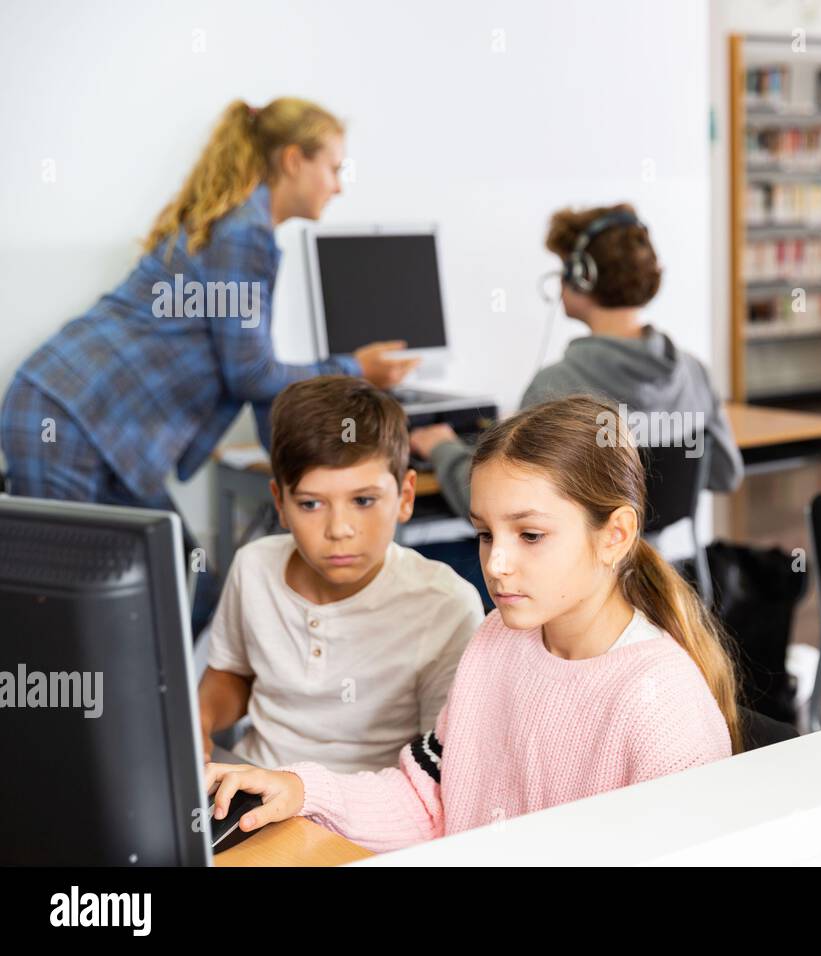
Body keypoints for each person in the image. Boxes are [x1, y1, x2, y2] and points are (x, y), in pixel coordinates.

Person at [206, 395, 738, 851]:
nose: (496, 564)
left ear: (615, 535)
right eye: (486, 534)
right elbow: (429, 799)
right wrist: (303, 790)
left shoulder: (663, 706)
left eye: (529, 536)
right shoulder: (498, 640)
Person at [0, 98, 417, 635]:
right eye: (334, 168)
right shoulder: (243, 235)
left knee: (187, 587)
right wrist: (353, 369)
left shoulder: (239, 228)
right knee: (59, 611)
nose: (338, 185)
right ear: (293, 159)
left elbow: (254, 377)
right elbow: (251, 373)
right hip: (66, 414)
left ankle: (174, 719)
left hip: (100, 431)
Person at [198, 376, 483, 772]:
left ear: (405, 497)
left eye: (364, 500)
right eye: (311, 504)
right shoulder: (253, 566)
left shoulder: (446, 605)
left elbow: (438, 767)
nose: (339, 529)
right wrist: (200, 719)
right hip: (252, 786)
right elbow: (233, 675)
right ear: (280, 503)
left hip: (365, 816)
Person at [410, 203, 742, 519]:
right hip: (651, 571)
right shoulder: (694, 373)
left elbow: (496, 504)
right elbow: (726, 474)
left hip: (580, 575)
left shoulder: (556, 388)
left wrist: (443, 450)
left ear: (581, 276)